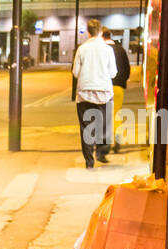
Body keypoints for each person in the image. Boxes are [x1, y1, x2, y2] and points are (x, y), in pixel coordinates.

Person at [72, 19, 117, 169]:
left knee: (86, 127)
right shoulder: (107, 49)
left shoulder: (82, 49)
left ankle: (89, 162)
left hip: (85, 92)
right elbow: (113, 73)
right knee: (103, 125)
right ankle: (102, 153)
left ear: (88, 32)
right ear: (100, 31)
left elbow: (75, 72)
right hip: (104, 92)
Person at [102, 28, 131, 152]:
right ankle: (117, 135)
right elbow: (127, 69)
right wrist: (122, 81)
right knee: (115, 112)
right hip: (118, 87)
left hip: (104, 87)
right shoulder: (121, 50)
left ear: (102, 37)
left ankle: (106, 143)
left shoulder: (101, 50)